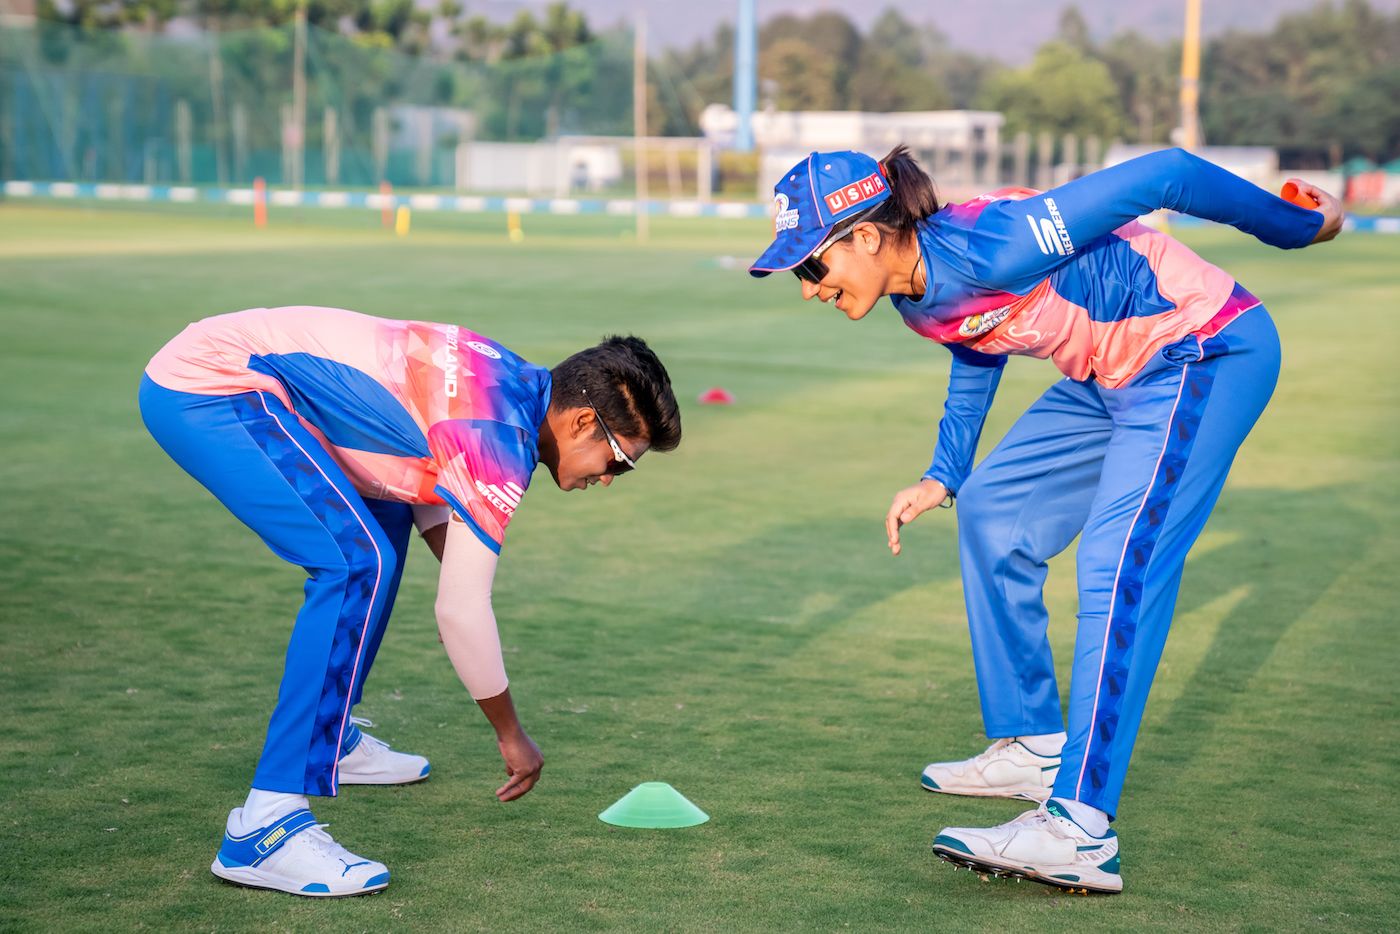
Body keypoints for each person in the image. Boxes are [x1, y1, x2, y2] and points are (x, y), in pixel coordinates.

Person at [749, 147, 1341, 894]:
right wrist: (945, 472)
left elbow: (1168, 174)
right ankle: (1033, 743)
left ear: (866, 237)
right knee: (994, 513)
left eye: (811, 267)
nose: (809, 290)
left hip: (1204, 348)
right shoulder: (914, 298)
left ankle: (1080, 831)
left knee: (1116, 562)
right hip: (1110, 378)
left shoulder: (1004, 240)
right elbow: (972, 340)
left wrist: (1294, 227)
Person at [139, 306, 681, 897]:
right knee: (355, 561)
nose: (607, 479)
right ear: (581, 422)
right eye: (620, 463)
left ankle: (331, 737)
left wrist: (474, 577)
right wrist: (511, 735)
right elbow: (458, 611)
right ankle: (264, 828)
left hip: (230, 370)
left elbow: (421, 484)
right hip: (212, 386)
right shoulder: (498, 440)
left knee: (381, 531)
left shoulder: (513, 384)